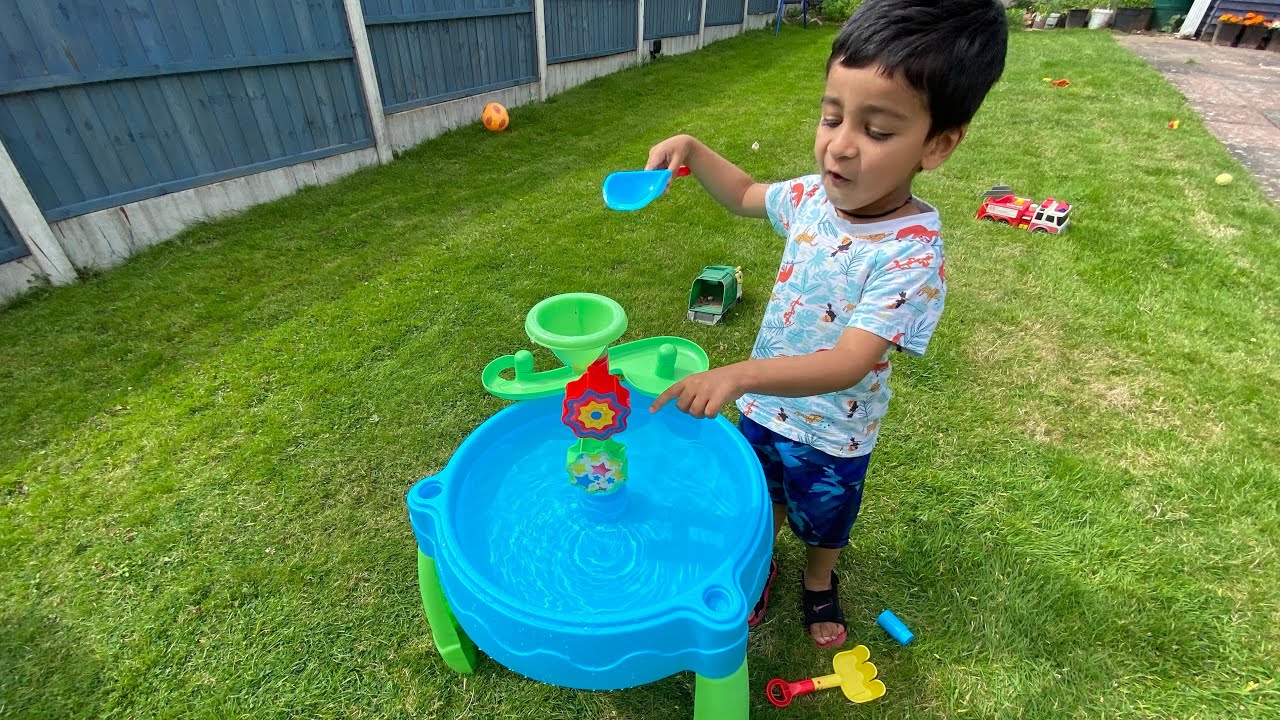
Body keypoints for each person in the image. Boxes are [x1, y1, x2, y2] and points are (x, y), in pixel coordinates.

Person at [647, 0, 1008, 647]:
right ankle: (760, 565)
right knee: (763, 499)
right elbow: (745, 194)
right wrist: (694, 151)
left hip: (835, 431)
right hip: (763, 409)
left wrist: (740, 374)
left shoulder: (912, 252)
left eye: (876, 130)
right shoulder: (813, 198)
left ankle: (818, 583)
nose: (838, 145)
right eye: (831, 115)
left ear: (938, 144)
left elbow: (849, 362)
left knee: (824, 519)